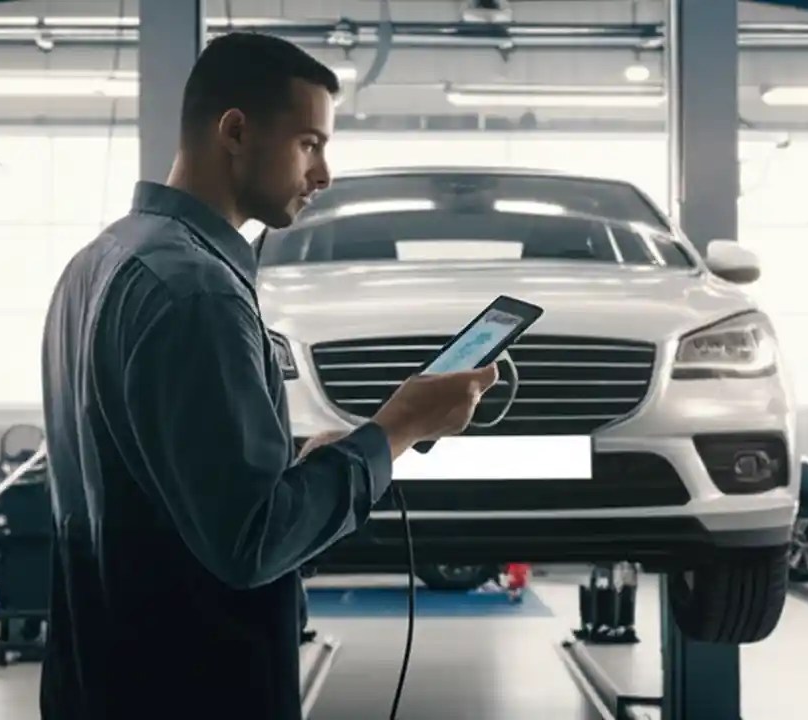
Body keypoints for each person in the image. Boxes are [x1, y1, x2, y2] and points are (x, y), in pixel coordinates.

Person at [38, 32, 499, 720]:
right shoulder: (198, 292)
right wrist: (399, 428)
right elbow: (251, 542)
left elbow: (157, 480)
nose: (324, 174)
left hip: (104, 676)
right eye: (310, 143)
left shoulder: (98, 261)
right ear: (235, 131)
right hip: (192, 688)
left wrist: (301, 465)